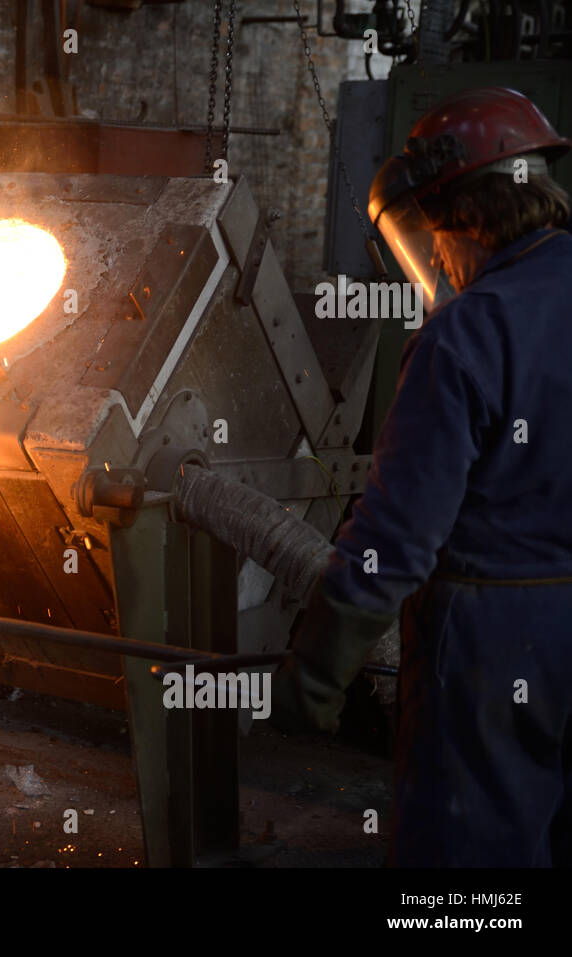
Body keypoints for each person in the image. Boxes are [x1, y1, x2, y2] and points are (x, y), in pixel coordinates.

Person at [272, 87, 572, 866]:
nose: (433, 258)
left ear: (464, 216)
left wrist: (318, 670)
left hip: (493, 641)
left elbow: (393, 542)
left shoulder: (465, 334)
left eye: (431, 236)